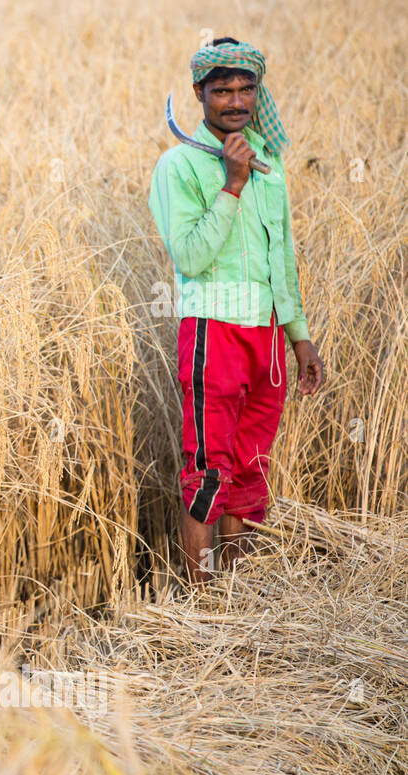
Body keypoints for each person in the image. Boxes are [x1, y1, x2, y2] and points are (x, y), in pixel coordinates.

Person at [148, 37, 325, 585]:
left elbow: (283, 256)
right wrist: (231, 185)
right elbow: (193, 256)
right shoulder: (179, 166)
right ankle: (201, 612)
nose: (235, 101)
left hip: (267, 336)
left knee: (250, 469)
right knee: (207, 471)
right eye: (221, 90)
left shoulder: (269, 166)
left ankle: (238, 602)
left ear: (258, 94)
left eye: (246, 89)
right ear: (199, 93)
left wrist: (299, 337)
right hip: (213, 332)